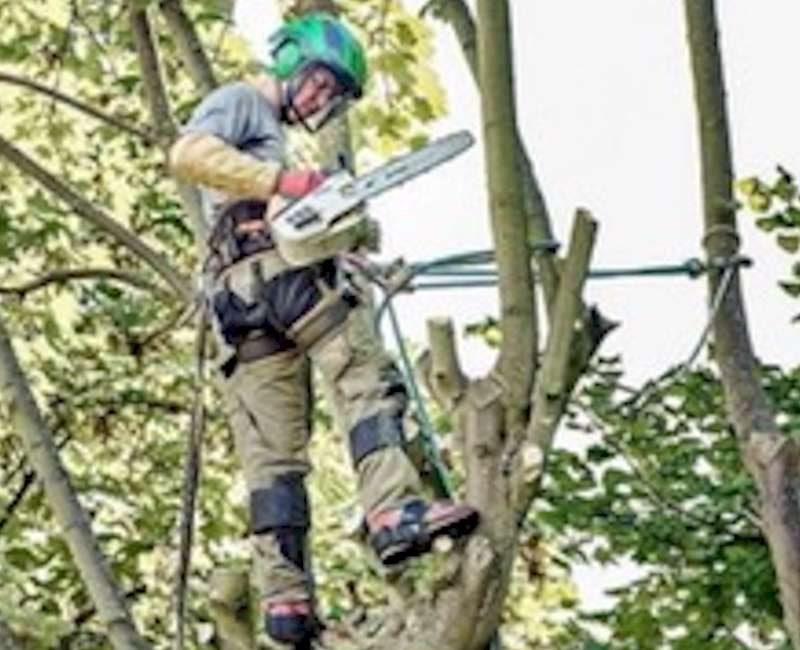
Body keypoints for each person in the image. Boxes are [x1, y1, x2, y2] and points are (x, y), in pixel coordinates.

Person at [168, 12, 479, 647]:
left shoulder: (268, 137)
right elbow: (188, 153)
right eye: (317, 83)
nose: (319, 100)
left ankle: (287, 606)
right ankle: (392, 507)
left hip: (237, 306)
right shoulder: (241, 104)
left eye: (331, 95)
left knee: (273, 461)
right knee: (363, 375)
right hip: (277, 281)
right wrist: (285, 181)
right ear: (288, 63)